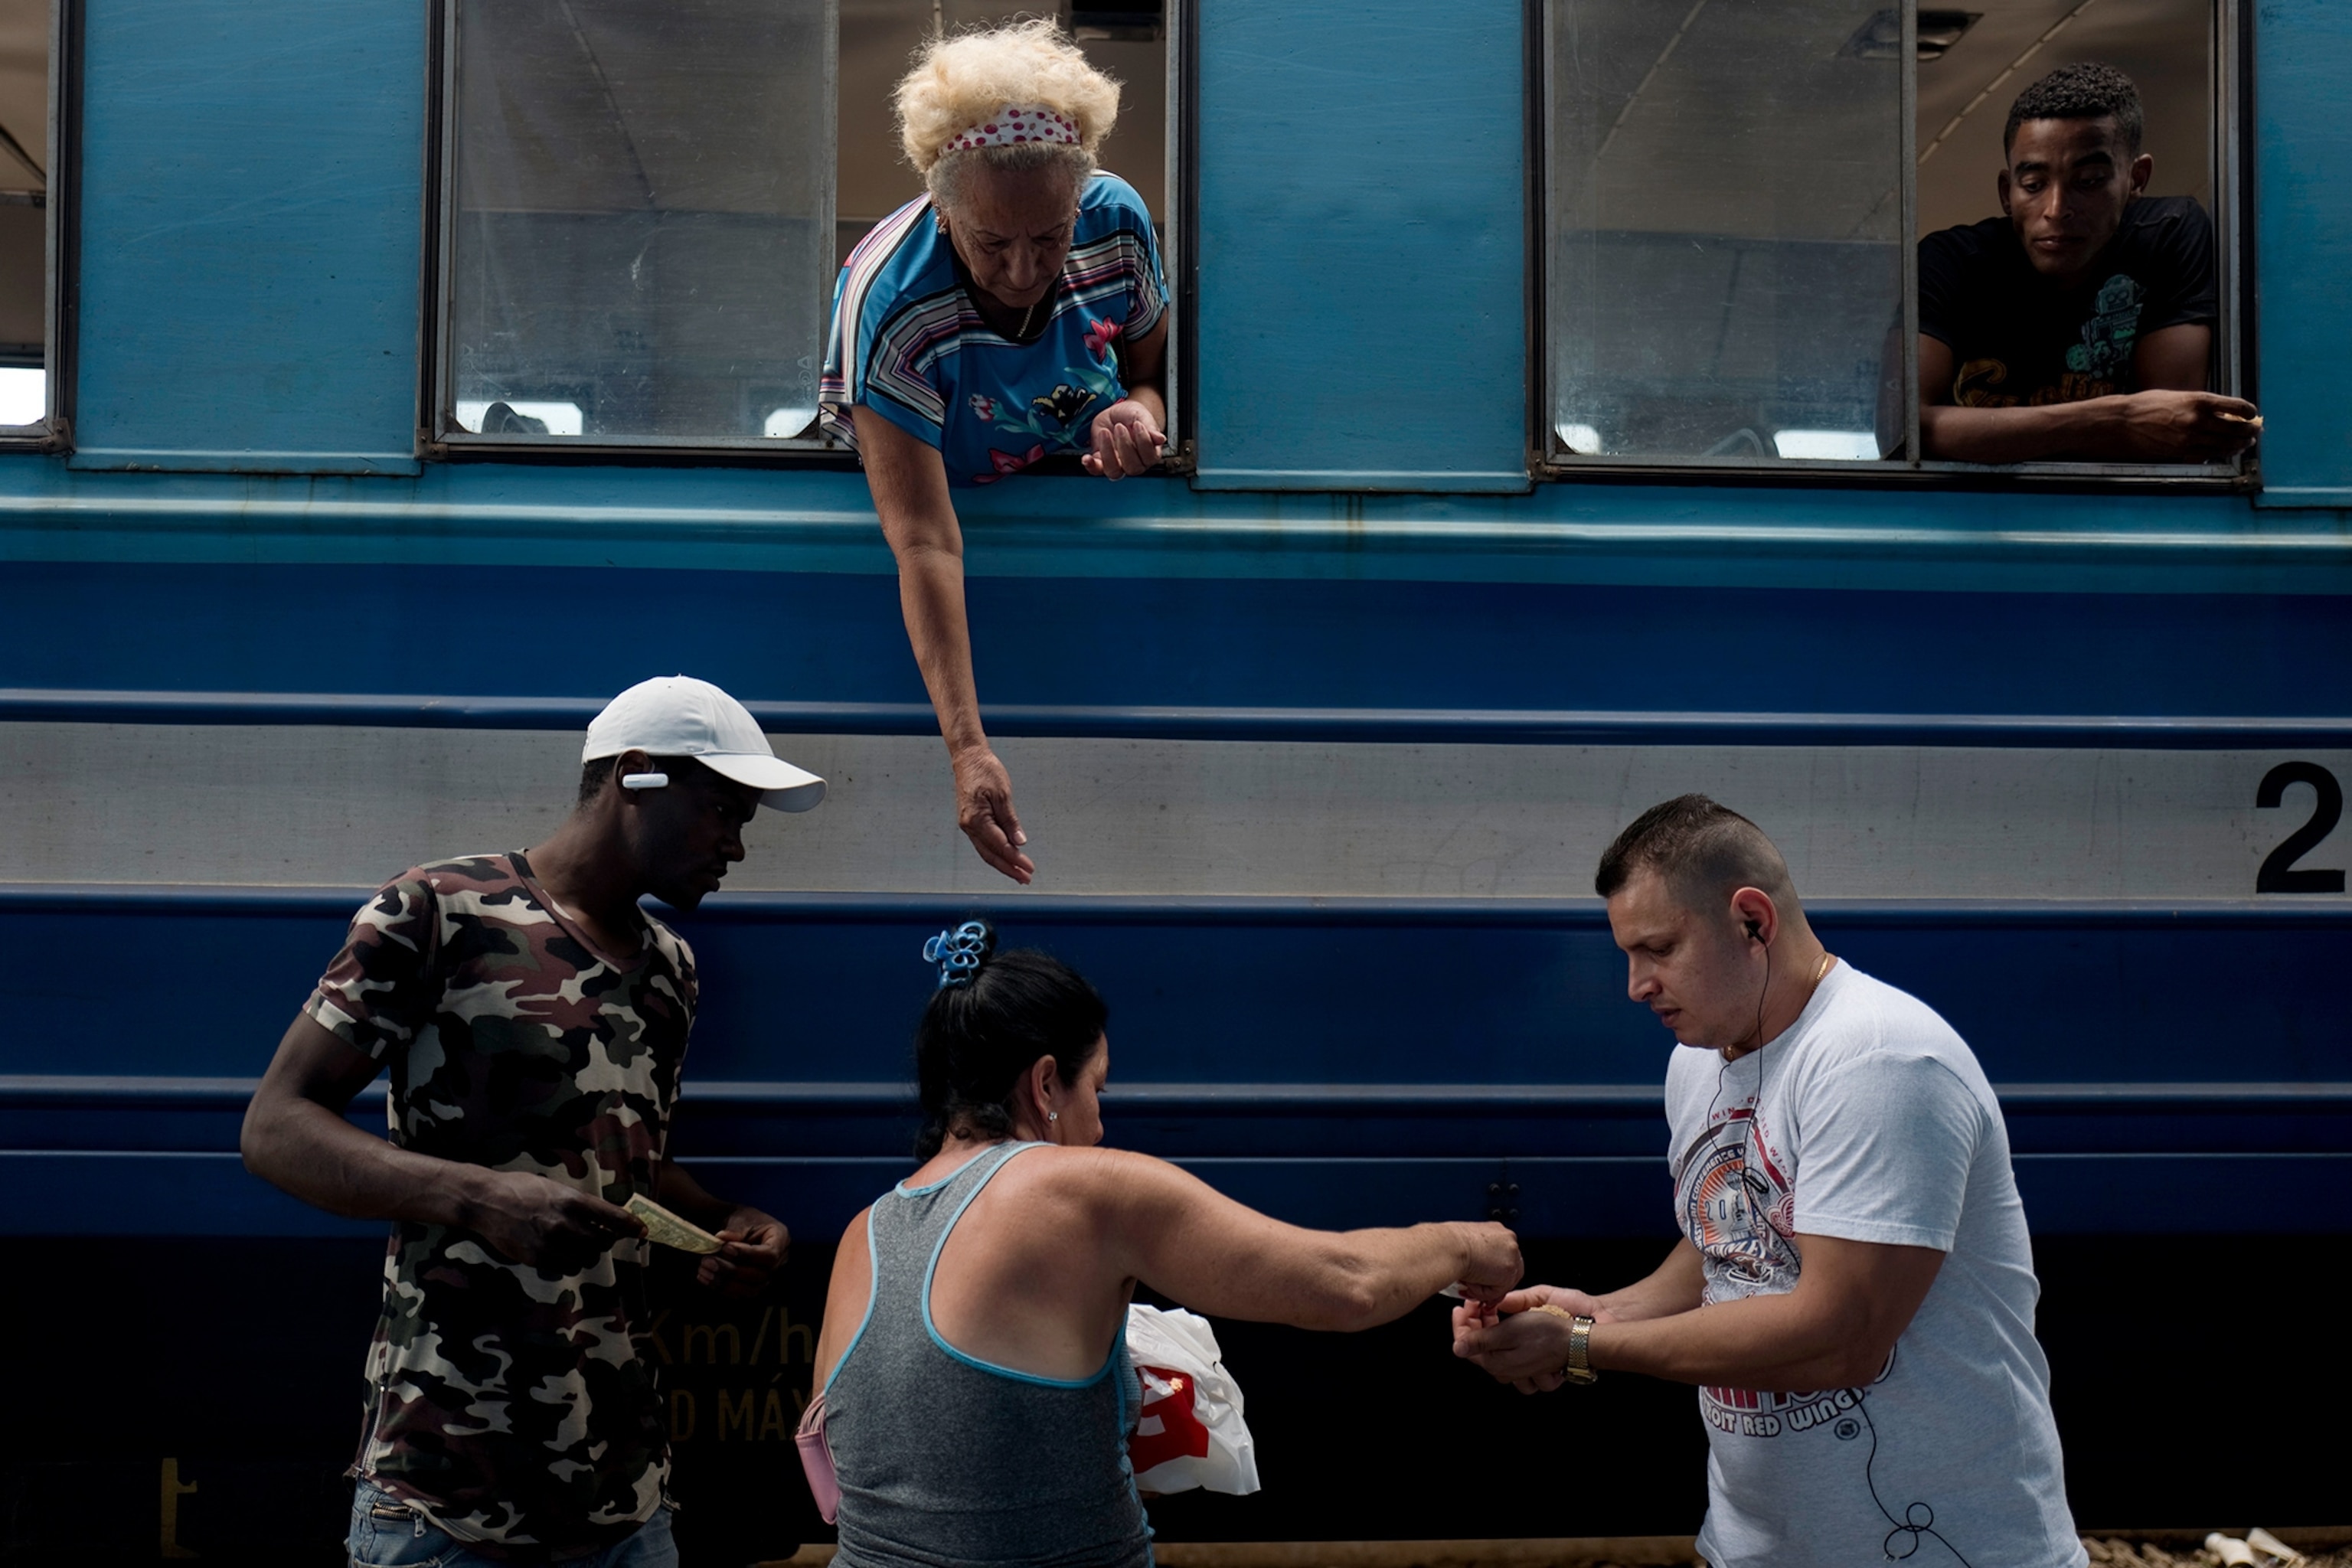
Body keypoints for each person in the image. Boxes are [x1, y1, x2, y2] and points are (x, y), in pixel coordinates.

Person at [240, 675, 828, 1568]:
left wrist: (722, 1225)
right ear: (635, 776)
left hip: (625, 1498)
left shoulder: (670, 968)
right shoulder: (437, 911)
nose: (735, 846)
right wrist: (479, 1200)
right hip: (448, 1499)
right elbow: (275, 1127)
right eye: (721, 810)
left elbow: (612, 1156)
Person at [1453, 795, 2084, 1568]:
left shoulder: (1878, 1061)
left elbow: (1841, 1338)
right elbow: (1731, 1243)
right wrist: (1602, 1307)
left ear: (1753, 920)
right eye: (1628, 954)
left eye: (1658, 948)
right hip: (1756, 1545)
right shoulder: (1701, 1058)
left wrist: (1584, 1345)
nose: (1635, 984)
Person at [811, 922, 1524, 1568]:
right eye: (1098, 1090)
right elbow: (1344, 1284)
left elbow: (851, 1477)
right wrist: (1464, 1244)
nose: (1097, 1126)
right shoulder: (1083, 1190)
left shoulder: (862, 1234)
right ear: (1047, 1082)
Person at [819, 21, 1169, 886]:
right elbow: (926, 540)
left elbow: (1153, 374)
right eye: (992, 243)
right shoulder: (890, 304)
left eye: (1049, 238)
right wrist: (969, 749)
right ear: (943, 209)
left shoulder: (1117, 224)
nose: (1024, 271)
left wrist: (1134, 412)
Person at [1917, 60, 2257, 464]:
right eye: (2033, 185)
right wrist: (2118, 418)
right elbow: (1908, 433)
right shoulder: (1951, 262)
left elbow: (2174, 438)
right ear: (2007, 193)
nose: (2057, 209)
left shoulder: (2168, 235)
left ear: (2136, 179)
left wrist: (1991, 436)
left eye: (2090, 181)